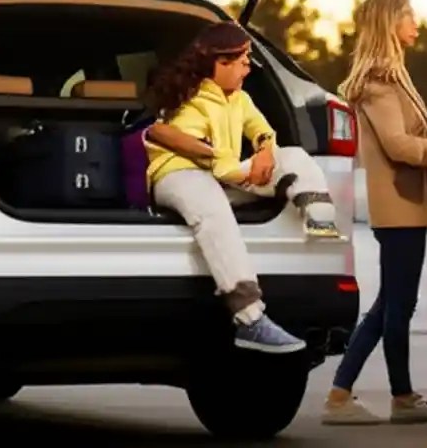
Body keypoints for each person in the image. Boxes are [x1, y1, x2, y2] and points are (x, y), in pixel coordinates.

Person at [145, 20, 341, 354]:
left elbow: (262, 129)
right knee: (213, 209)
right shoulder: (193, 100)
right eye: (243, 61)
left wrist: (264, 152)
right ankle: (249, 317)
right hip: (177, 173)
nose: (248, 68)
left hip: (222, 174)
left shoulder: (239, 99)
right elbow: (164, 136)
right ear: (220, 64)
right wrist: (228, 165)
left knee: (291, 155)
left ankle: (317, 212)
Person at [321, 0, 427, 426]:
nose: (416, 23)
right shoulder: (379, 82)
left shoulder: (393, 77)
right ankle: (368, 396)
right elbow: (398, 144)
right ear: (390, 22)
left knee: (394, 303)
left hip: (405, 205)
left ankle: (375, 394)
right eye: (409, 16)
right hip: (398, 205)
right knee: (396, 305)